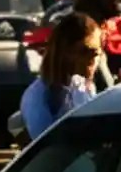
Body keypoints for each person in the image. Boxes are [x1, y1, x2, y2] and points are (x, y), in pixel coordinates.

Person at [19, 13, 103, 141]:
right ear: (64, 51)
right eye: (85, 51)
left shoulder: (84, 88)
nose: (93, 59)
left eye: (97, 52)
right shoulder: (39, 97)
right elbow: (46, 146)